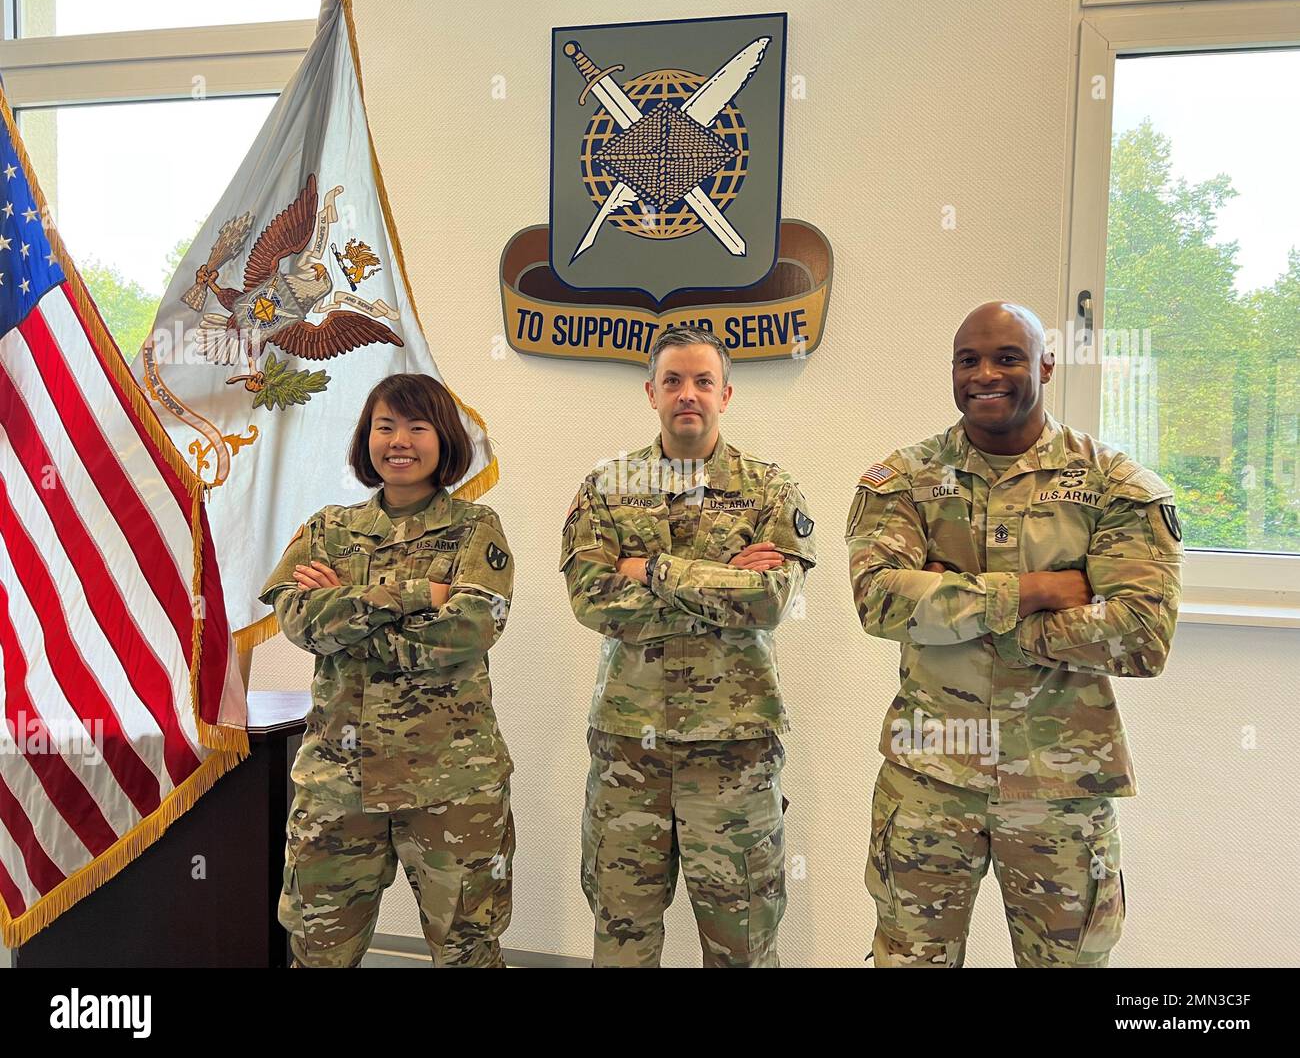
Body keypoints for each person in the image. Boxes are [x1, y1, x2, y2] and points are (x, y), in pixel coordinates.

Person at [846, 301, 1182, 968]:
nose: (986, 374)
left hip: (1058, 786)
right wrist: (1032, 592)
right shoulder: (906, 480)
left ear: (1046, 364)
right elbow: (879, 602)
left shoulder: (1115, 486)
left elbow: (1141, 635)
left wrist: (958, 606)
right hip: (928, 779)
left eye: (1008, 357)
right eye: (968, 359)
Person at [561, 325, 816, 967]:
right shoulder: (606, 487)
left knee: (742, 943)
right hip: (628, 750)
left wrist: (649, 568)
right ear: (651, 392)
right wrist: (723, 577)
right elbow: (592, 601)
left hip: (734, 751)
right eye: (673, 380)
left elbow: (768, 600)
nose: (688, 394)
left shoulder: (771, 490)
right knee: (623, 936)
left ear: (725, 394)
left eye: (703, 381)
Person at [259, 373, 515, 967]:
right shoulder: (328, 527)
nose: (400, 440)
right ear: (366, 439)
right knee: (318, 948)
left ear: (443, 439)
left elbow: (470, 628)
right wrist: (416, 594)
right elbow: (300, 624)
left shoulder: (477, 528)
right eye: (385, 426)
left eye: (417, 426)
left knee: (467, 948)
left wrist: (347, 610)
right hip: (337, 781)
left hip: (452, 782)